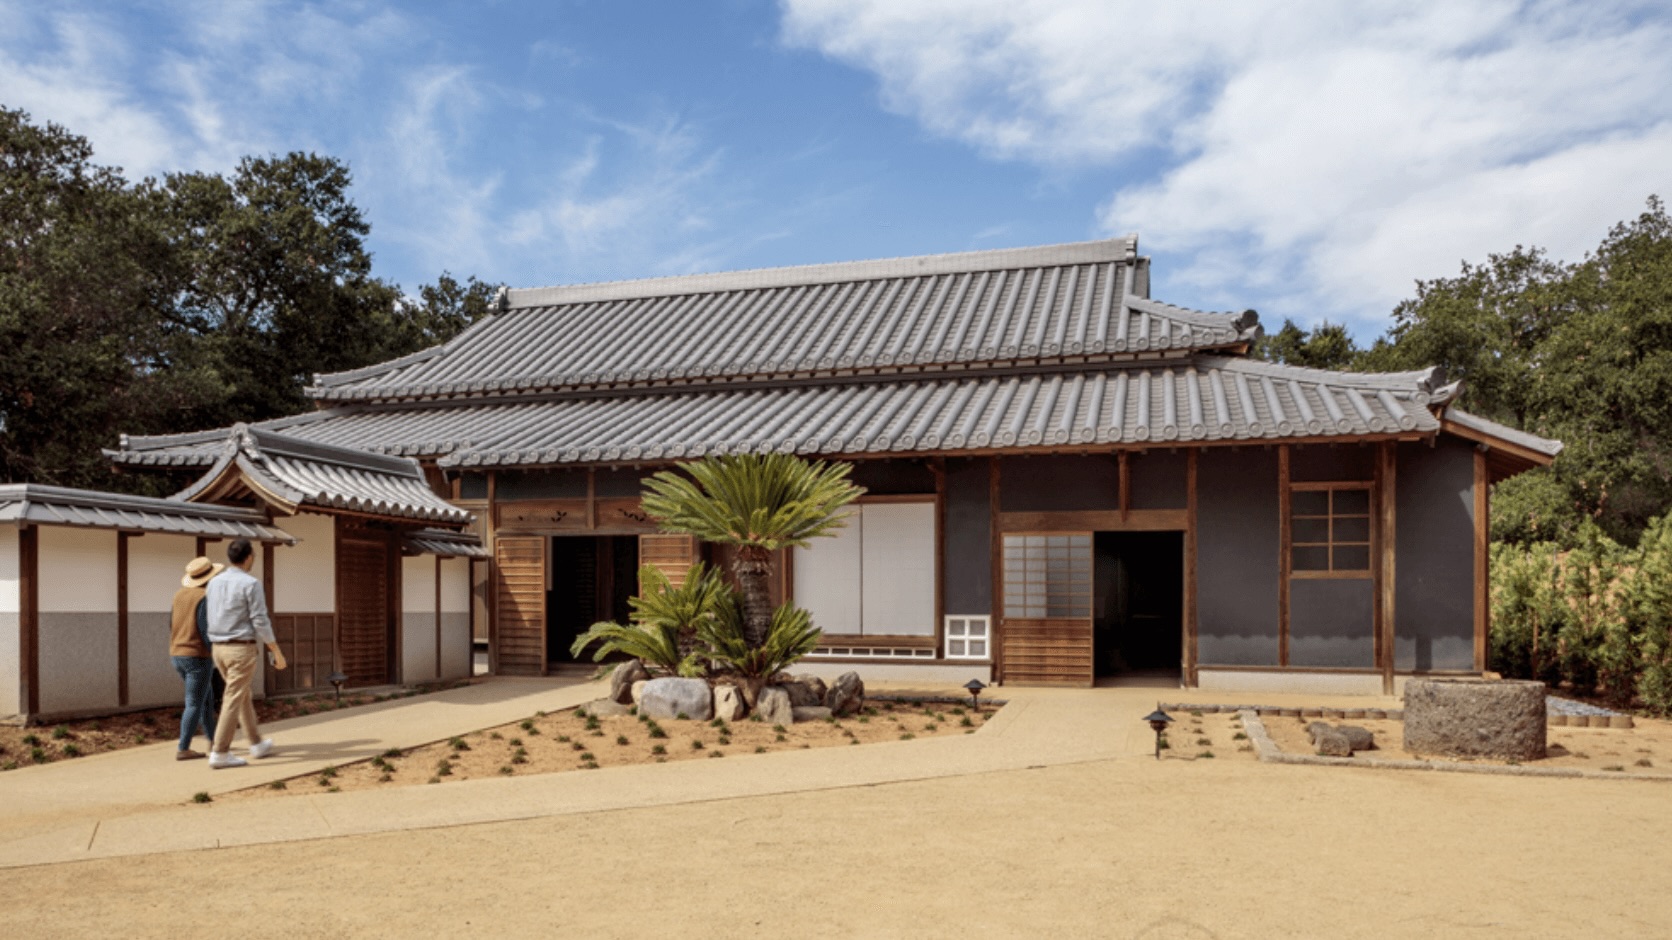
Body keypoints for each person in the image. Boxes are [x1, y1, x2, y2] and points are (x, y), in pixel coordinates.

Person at [205, 538, 287, 769]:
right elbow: (260, 619)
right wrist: (275, 650)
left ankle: (256, 743)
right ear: (249, 557)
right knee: (234, 697)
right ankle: (220, 751)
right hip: (240, 647)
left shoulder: (213, 583)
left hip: (218, 648)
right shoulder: (251, 584)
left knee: (241, 694)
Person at [169, 556, 226, 761]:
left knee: (206, 698)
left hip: (177, 654)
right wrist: (217, 653)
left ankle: (214, 742)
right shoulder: (204, 597)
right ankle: (183, 747)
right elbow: (205, 630)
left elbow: (171, 624)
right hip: (197, 656)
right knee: (194, 703)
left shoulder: (179, 596)